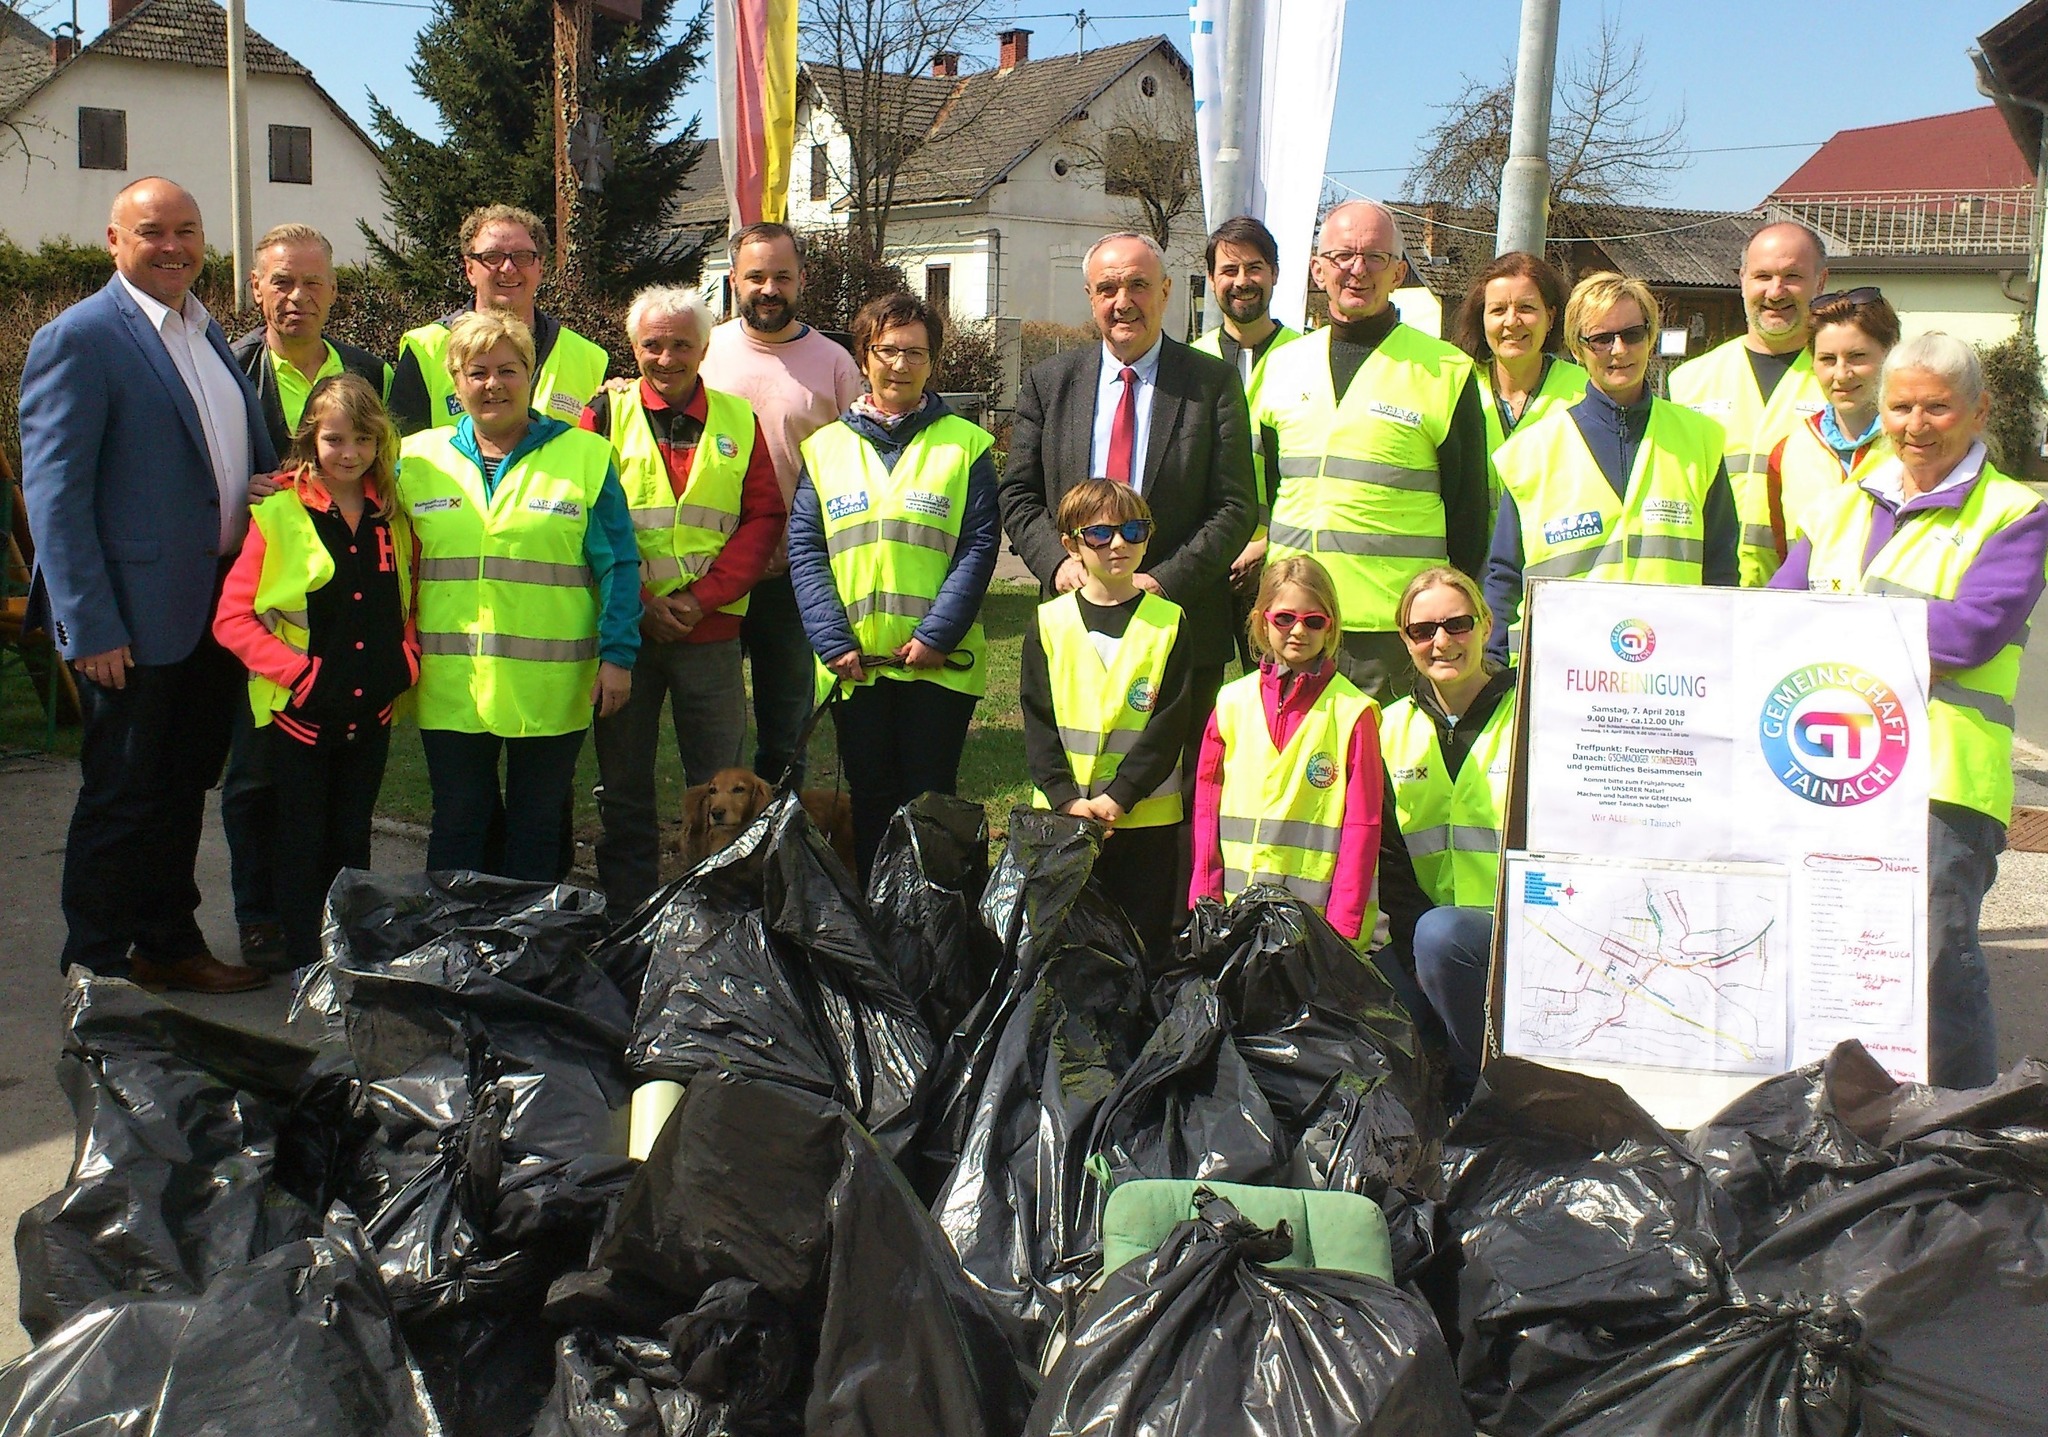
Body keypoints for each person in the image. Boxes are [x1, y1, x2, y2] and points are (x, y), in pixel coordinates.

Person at [20, 176, 277, 993]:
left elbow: (210, 461)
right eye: (152, 231)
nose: (173, 246)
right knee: (122, 796)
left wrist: (260, 486)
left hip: (212, 613)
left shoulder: (207, 331)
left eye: (187, 231)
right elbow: (56, 496)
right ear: (114, 241)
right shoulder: (80, 338)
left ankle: (166, 943)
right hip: (128, 622)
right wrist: (88, 623)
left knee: (179, 792)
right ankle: (95, 970)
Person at [1773, 332, 2048, 1089]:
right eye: (1900, 407)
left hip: (1942, 786)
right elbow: (1773, 615)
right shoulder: (1841, 506)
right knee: (1837, 963)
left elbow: (1970, 633)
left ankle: (1965, 1131)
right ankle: (1855, 1122)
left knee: (1937, 971)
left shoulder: (2015, 513)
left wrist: (1834, 622)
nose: (1915, 425)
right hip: (1827, 772)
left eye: (1937, 407)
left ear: (1979, 411)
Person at [398, 309, 640, 880]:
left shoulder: (585, 455)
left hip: (550, 686)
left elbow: (618, 564)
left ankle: (531, 935)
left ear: (530, 375)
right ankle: (456, 932)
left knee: (536, 825)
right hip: (450, 684)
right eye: (477, 372)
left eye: (508, 370)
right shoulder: (413, 458)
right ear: (455, 382)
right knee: (458, 821)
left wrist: (618, 656)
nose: (493, 385)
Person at [999, 230, 1256, 755]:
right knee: (1075, 775)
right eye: (1108, 288)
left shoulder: (1212, 384)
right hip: (1075, 619)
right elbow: (1018, 494)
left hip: (1179, 624)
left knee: (1176, 785)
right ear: (1090, 297)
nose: (1123, 302)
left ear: (1166, 291)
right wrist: (1058, 564)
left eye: (1138, 285)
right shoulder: (1050, 383)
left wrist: (1161, 582)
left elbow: (1235, 507)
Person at [222, 221, 392, 966]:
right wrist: (244, 490)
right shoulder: (229, 367)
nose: (297, 295)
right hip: (265, 604)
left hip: (350, 603)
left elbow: (392, 469)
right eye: (282, 281)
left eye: (312, 281)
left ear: (333, 289)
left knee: (337, 798)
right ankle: (262, 916)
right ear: (256, 287)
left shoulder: (370, 370)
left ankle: (333, 925)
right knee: (255, 776)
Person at [583, 285, 783, 912]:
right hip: (626, 633)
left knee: (723, 792)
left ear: (703, 348)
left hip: (711, 632)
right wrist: (640, 602)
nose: (665, 357)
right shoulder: (602, 416)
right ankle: (629, 914)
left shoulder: (738, 419)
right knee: (623, 787)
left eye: (680, 345)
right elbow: (583, 517)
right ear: (633, 347)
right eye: (652, 345)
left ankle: (719, 916)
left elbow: (763, 517)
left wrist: (704, 599)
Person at [789, 292, 999, 882]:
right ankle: (880, 915)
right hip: (858, 666)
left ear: (933, 363)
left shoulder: (965, 445)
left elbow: (979, 545)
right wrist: (832, 640)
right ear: (864, 357)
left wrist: (937, 635)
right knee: (872, 798)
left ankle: (933, 918)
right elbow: (806, 549)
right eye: (887, 351)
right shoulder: (824, 449)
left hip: (938, 666)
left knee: (931, 802)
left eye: (915, 353)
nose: (900, 365)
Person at [212, 375, 416, 969]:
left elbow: (411, 600)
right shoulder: (279, 513)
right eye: (334, 439)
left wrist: (405, 661)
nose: (349, 453)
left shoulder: (393, 514)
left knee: (352, 837)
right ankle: (307, 961)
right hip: (301, 715)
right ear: (310, 440)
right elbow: (232, 620)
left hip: (372, 710)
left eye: (363, 439)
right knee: (299, 840)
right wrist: (300, 675)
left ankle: (349, 958)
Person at [1255, 199, 1489, 702]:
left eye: (1375, 257)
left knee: (1385, 755)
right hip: (1295, 621)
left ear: (1398, 272)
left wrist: (1445, 621)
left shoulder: (1445, 371)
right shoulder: (1281, 365)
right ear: (1318, 269)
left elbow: (1468, 516)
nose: (1357, 269)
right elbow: (1274, 487)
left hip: (1392, 630)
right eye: (1342, 255)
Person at [1485, 271, 1739, 660]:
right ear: (1577, 348)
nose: (1619, 350)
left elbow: (1721, 568)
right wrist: (1495, 667)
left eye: (1632, 334)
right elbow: (1504, 580)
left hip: (1674, 668)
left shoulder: (1700, 438)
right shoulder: (1529, 453)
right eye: (1601, 339)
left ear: (1651, 338)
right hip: (1564, 669)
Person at [701, 222, 865, 787]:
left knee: (786, 729)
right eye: (756, 277)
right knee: (714, 730)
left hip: (793, 574)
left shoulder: (834, 363)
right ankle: (718, 832)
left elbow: (858, 461)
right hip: (711, 570)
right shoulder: (704, 351)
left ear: (801, 280)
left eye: (782, 276)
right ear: (733, 280)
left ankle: (781, 831)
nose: (769, 289)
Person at [1020, 479, 1195, 963]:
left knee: (1142, 945)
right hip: (1064, 819)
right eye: (1099, 534)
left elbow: (1169, 725)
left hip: (1145, 820)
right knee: (1066, 948)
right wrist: (1066, 799)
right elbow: (1038, 721)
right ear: (1070, 544)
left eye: (1133, 531)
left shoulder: (1169, 622)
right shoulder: (1049, 623)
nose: (1118, 544)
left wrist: (1120, 797)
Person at [1190, 555, 1383, 944]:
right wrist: (1204, 901)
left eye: (1314, 621)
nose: (1298, 630)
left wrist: (1342, 928)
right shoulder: (1231, 702)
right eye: (1284, 618)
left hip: (1316, 927)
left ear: (1331, 627)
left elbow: (1362, 828)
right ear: (1261, 621)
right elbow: (1207, 811)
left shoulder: (1353, 712)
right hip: (1237, 918)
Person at [1376, 567, 1515, 1104]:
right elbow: (1388, 863)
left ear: (1486, 625)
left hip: (1516, 936)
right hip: (1428, 943)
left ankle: (1478, 1087)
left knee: (1440, 934)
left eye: (1457, 624)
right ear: (1404, 639)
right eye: (1422, 630)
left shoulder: (1529, 712)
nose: (1442, 642)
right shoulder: (1387, 728)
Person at [1669, 220, 1830, 586]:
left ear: (1820, 282)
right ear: (1742, 279)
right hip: (1706, 591)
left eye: (1792, 276)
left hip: (1805, 595)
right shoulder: (1686, 382)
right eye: (1762, 276)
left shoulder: (1842, 386)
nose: (1775, 291)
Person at [388, 204, 610, 434]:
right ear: (470, 269)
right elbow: (399, 449)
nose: (508, 268)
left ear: (541, 267)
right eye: (492, 257)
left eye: (522, 257)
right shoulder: (426, 349)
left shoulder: (588, 358)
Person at [1192, 215, 1301, 664]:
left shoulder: (1307, 358)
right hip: (1205, 565)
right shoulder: (1189, 362)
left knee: (1283, 689)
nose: (1242, 281)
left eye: (1254, 268)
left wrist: (1267, 544)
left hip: (1282, 563)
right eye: (1229, 270)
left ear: (1274, 274)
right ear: (1211, 279)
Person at [1451, 250, 1588, 518]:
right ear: (1482, 319)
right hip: (1470, 544)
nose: (1512, 321)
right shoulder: (1457, 387)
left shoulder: (1584, 391)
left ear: (1550, 317)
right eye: (1498, 310)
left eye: (1526, 308)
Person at [1766, 287, 1899, 557]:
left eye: (1857, 357)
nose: (1841, 374)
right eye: (1827, 359)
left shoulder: (1918, 446)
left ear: (1891, 354)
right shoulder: (1788, 452)